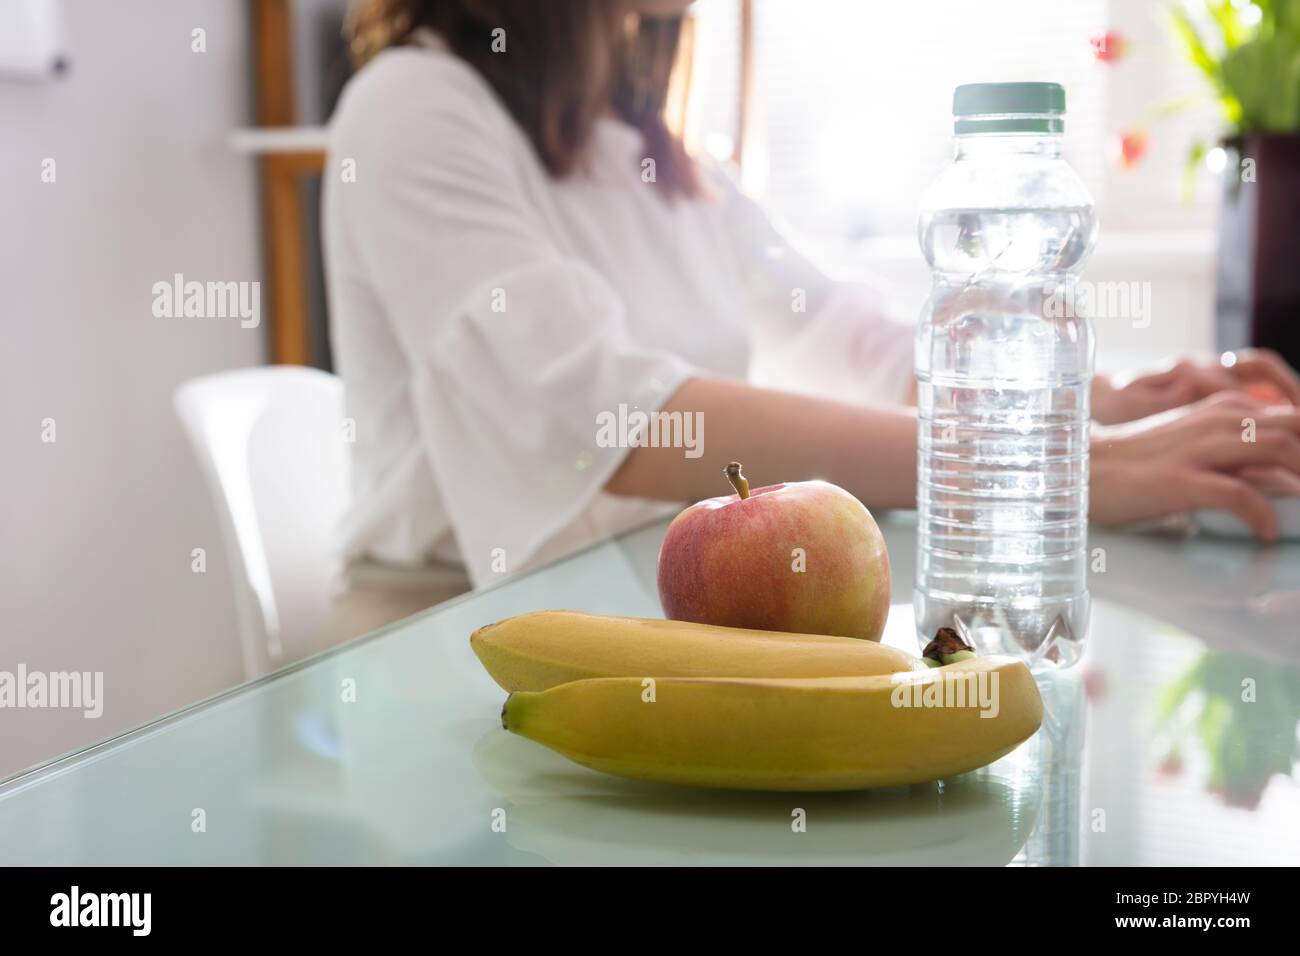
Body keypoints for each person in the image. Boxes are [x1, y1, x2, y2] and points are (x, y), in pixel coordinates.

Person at [322, 0, 1300, 630]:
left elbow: (843, 337)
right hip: (452, 628)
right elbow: (606, 415)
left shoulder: (641, 141)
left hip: (653, 597)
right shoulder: (412, 105)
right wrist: (1045, 461)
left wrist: (1097, 402)